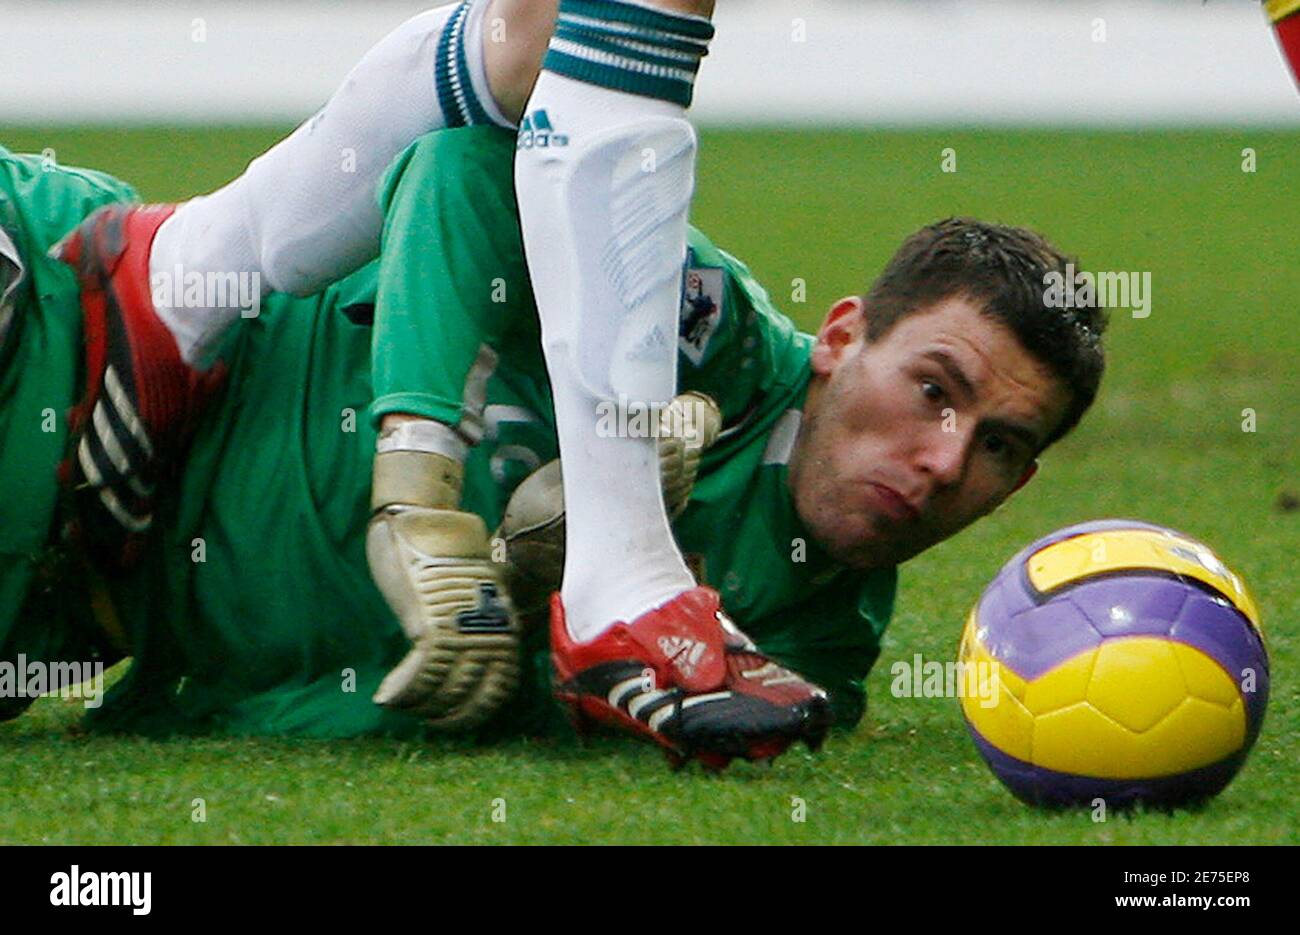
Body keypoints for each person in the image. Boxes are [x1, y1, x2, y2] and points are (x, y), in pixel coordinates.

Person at [0, 2, 1106, 766]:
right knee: (523, 61)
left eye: (1002, 447)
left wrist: (520, 591)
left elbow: (480, 711)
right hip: (71, 337)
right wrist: (417, 481)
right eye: (933, 391)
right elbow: (458, 168)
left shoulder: (818, 652)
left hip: (67, 593)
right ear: (840, 337)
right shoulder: (688, 319)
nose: (945, 461)